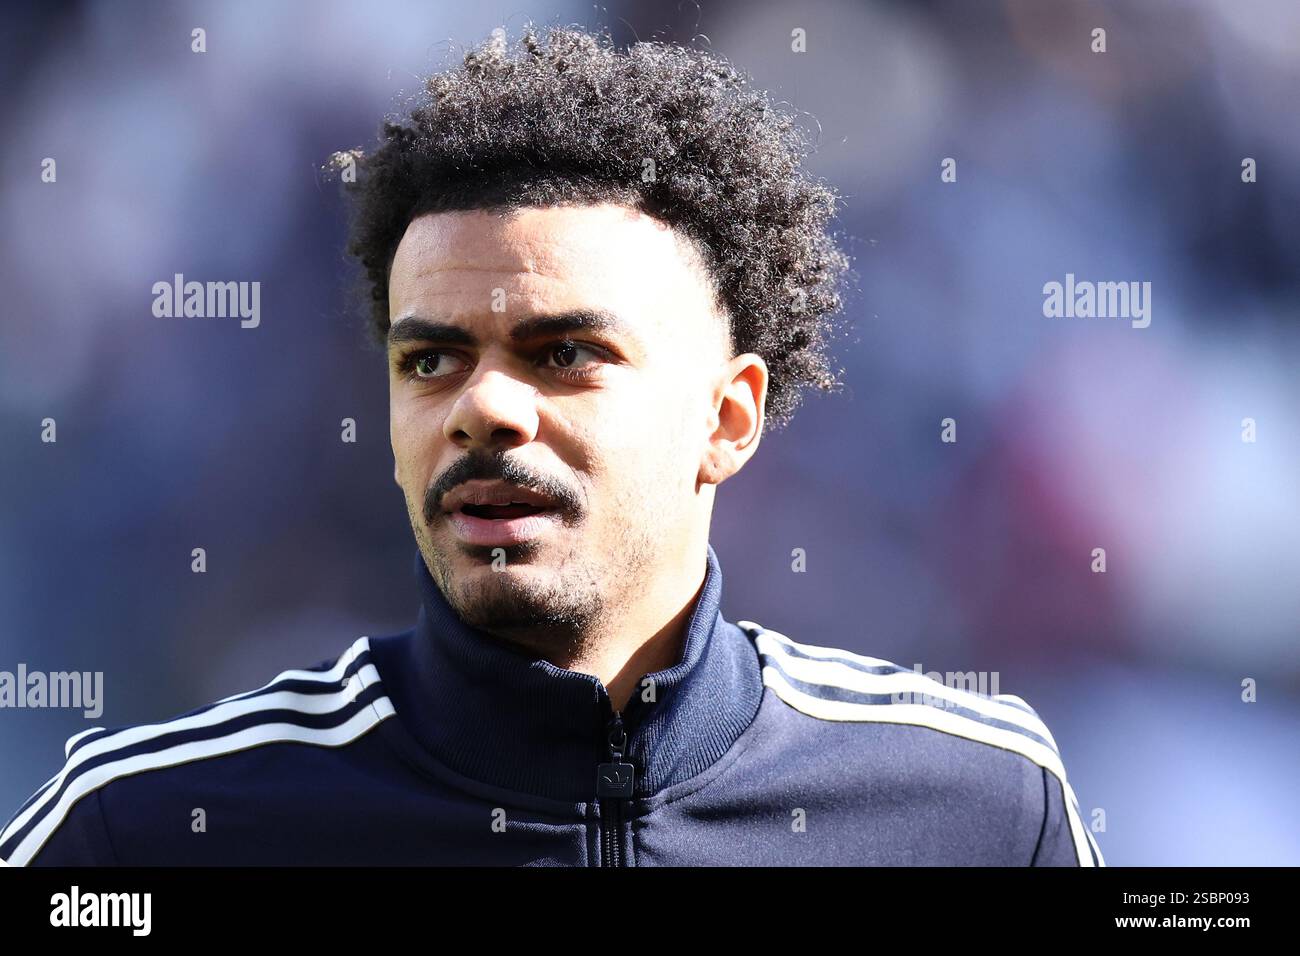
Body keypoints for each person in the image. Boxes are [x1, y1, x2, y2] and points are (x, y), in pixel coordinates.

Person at [0, 24, 1102, 866]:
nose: (486, 408)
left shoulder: (975, 804)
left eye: (564, 351)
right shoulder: (145, 827)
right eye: (429, 360)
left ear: (727, 418)